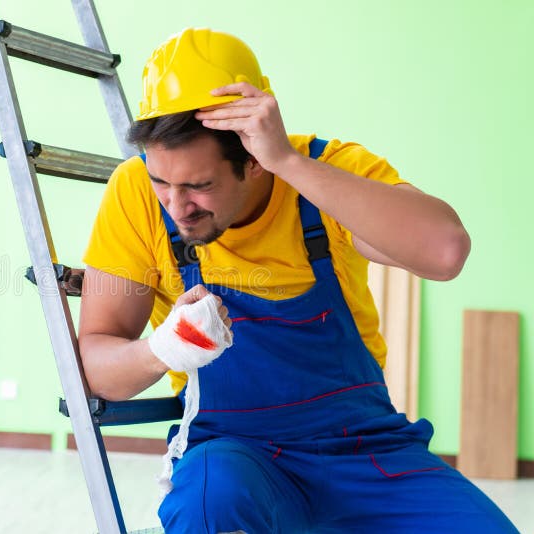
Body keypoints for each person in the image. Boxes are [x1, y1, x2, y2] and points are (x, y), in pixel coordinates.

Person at [78, 28, 516, 533]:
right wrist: (163, 349)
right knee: (209, 498)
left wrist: (287, 161)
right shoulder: (134, 192)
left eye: (200, 186)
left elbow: (445, 252)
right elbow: (96, 367)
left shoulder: (323, 172)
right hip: (236, 452)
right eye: (162, 183)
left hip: (366, 450)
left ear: (252, 160)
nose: (177, 207)